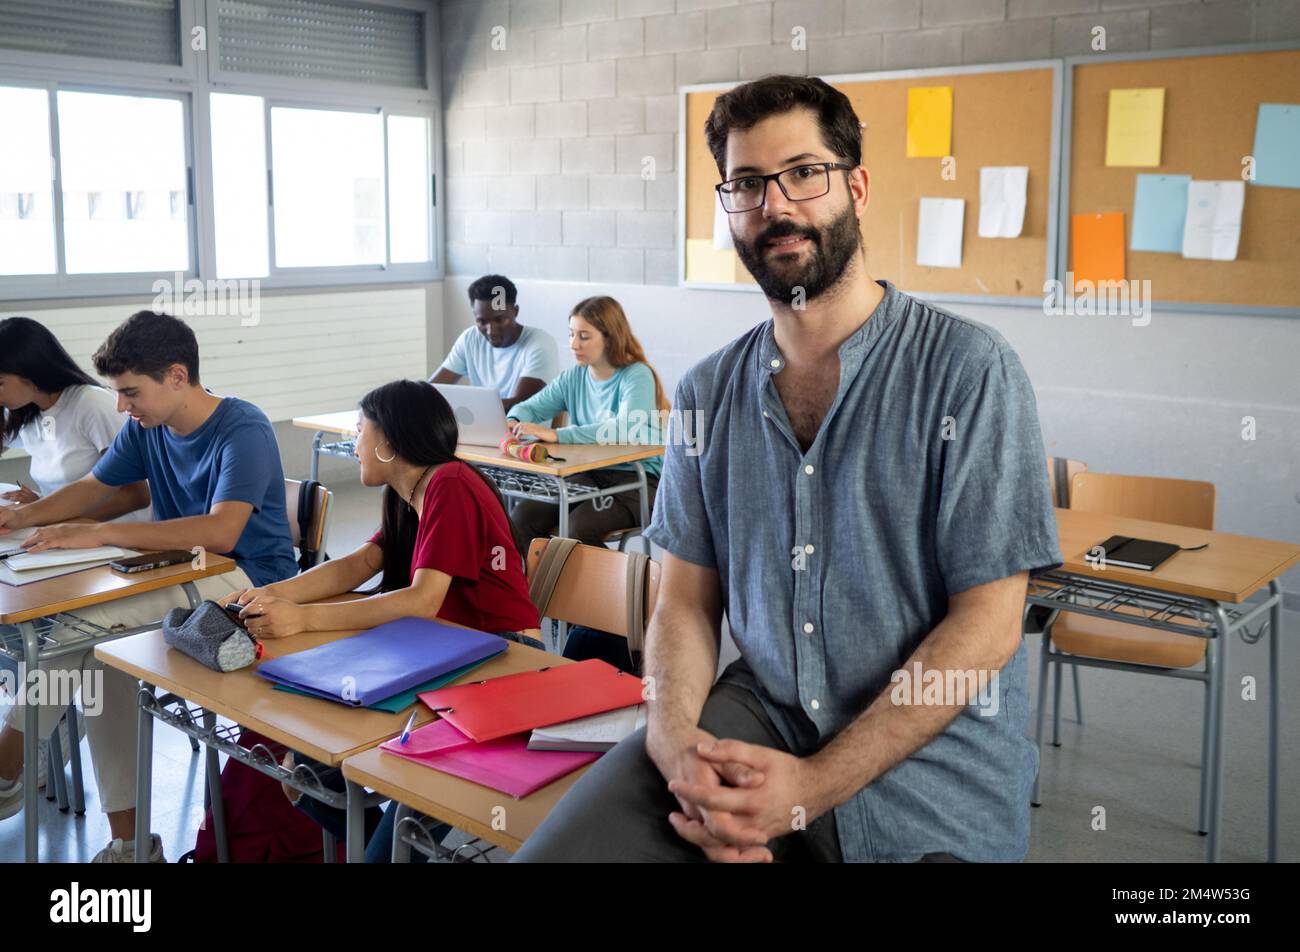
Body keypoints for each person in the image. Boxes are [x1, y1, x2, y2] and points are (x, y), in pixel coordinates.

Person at [513, 75, 1062, 863]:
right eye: (747, 184)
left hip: (934, 771)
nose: (777, 204)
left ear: (857, 186)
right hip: (757, 723)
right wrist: (669, 737)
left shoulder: (969, 372)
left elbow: (986, 626)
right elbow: (687, 602)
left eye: (805, 172)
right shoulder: (706, 392)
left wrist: (812, 787)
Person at [0, 310, 297, 862]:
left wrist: (97, 532)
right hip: (182, 570)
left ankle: (10, 759)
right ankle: (131, 843)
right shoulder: (147, 427)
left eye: (131, 392)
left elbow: (221, 531)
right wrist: (26, 518)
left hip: (247, 584)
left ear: (178, 377)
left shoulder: (243, 427)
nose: (122, 407)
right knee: (102, 656)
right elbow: (93, 485)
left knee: (77, 630)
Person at [221, 379, 541, 862]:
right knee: (303, 773)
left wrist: (303, 620)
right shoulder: (407, 492)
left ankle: (391, 849)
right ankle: (388, 849)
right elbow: (356, 566)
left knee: (388, 808)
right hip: (448, 654)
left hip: (505, 661)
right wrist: (269, 593)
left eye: (359, 431)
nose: (354, 443)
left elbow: (421, 601)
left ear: (389, 442)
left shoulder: (449, 483)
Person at [0, 316, 151, 820]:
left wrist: (70, 521)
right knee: (51, 633)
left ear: (28, 371)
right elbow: (66, 488)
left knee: (66, 635)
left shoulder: (89, 404)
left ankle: (16, 756)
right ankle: (26, 753)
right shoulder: (27, 413)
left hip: (117, 549)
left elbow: (133, 491)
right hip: (73, 543)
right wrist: (39, 504)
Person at [505, 295, 666, 550]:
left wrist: (558, 435)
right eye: (571, 334)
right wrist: (514, 421)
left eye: (584, 336)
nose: (573, 344)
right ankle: (539, 589)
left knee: (578, 528)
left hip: (636, 482)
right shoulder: (573, 377)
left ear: (609, 337)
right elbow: (528, 408)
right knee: (522, 518)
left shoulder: (637, 375)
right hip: (587, 476)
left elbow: (625, 428)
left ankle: (602, 589)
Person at [430, 274, 558, 412]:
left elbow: (518, 406)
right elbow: (431, 390)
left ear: (515, 311)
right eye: (482, 322)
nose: (491, 330)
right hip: (481, 426)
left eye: (499, 320)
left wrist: (462, 407)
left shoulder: (539, 344)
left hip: (524, 431)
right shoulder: (470, 338)